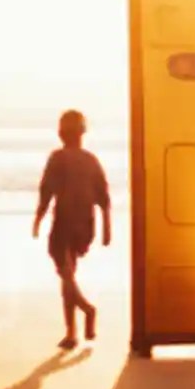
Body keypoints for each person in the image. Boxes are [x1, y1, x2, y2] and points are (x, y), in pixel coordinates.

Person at [32, 109, 111, 349]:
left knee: (66, 274)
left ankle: (87, 310)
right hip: (86, 223)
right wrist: (107, 228)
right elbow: (104, 197)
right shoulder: (90, 159)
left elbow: (46, 192)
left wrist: (38, 219)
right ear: (82, 133)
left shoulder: (57, 158)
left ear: (61, 134)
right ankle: (71, 333)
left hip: (65, 222)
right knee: (68, 274)